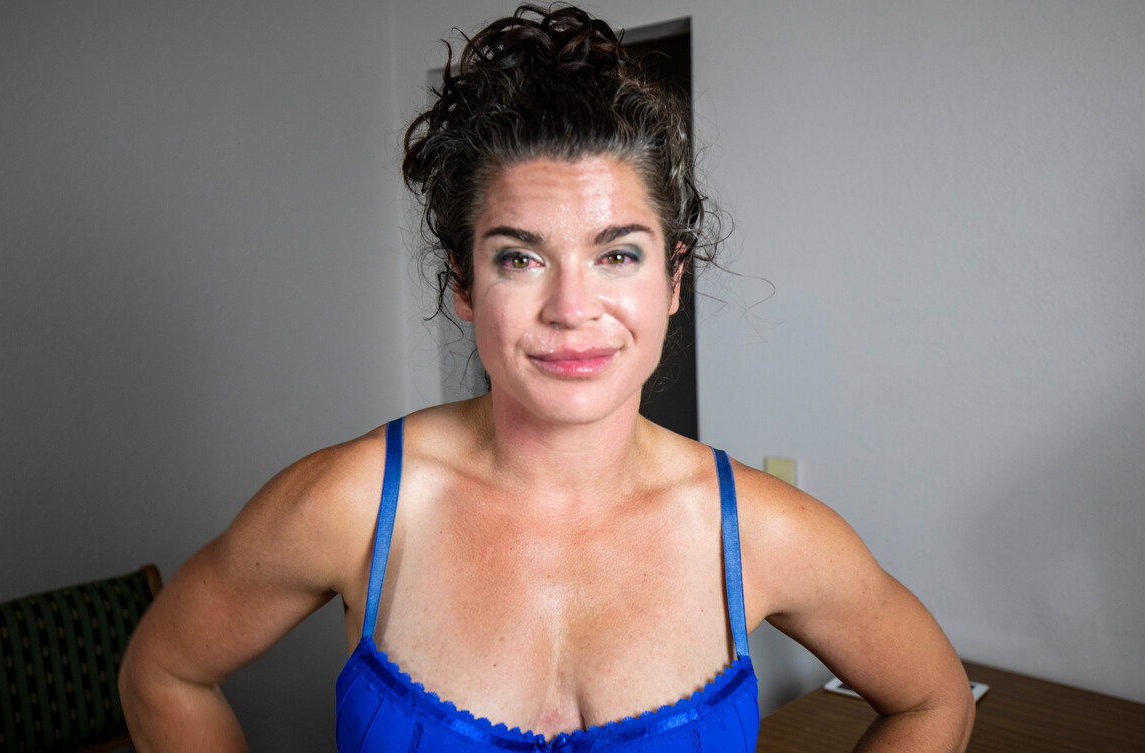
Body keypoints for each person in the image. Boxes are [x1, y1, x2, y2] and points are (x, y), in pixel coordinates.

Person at [119, 5, 974, 751]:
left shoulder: (759, 532)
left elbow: (934, 699)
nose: (571, 308)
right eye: (521, 257)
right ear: (463, 284)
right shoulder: (356, 504)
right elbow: (163, 671)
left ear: (673, 279)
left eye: (618, 254)